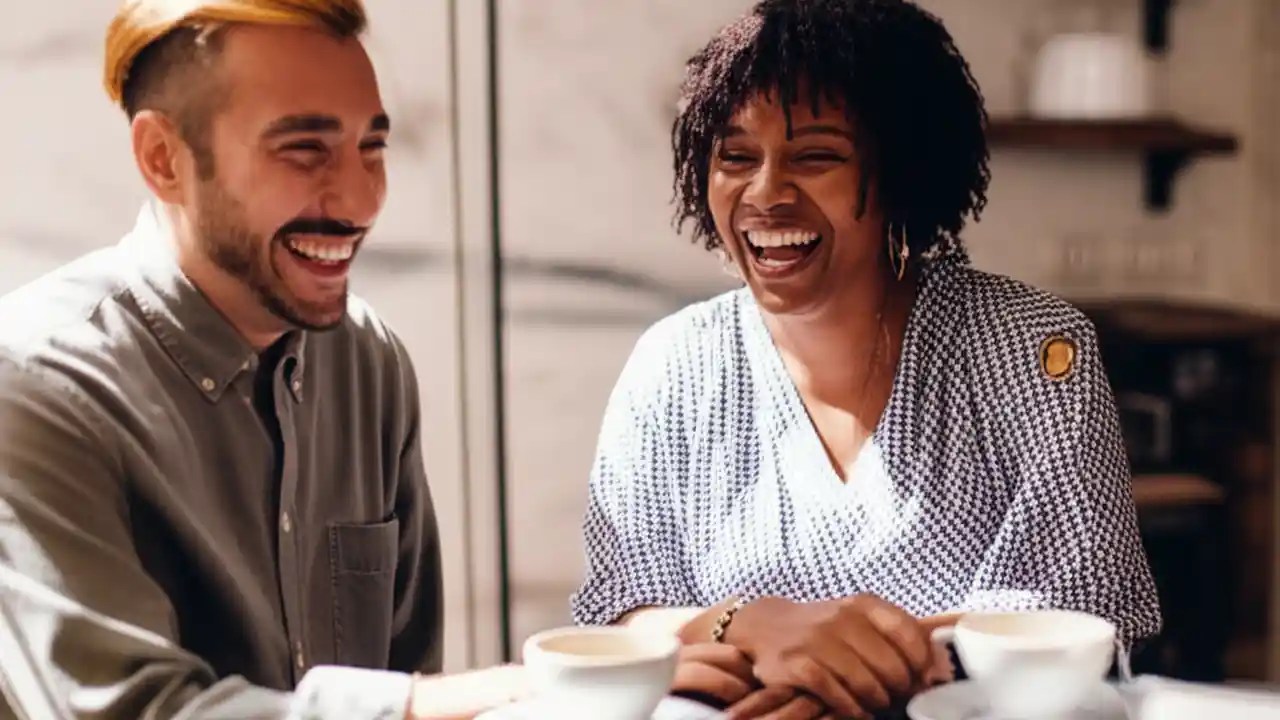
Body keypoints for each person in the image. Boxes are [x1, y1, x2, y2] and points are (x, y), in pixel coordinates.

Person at [573, 1, 1163, 718]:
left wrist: (842, 677)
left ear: (903, 172)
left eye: (815, 155)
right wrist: (749, 625)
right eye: (735, 156)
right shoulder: (673, 367)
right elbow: (619, 617)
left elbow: (1081, 616)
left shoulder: (1032, 347)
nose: (765, 193)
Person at [0, 1, 532, 718]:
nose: (361, 199)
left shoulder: (368, 365)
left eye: (372, 147)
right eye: (305, 150)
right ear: (164, 159)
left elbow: (412, 669)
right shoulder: (35, 387)